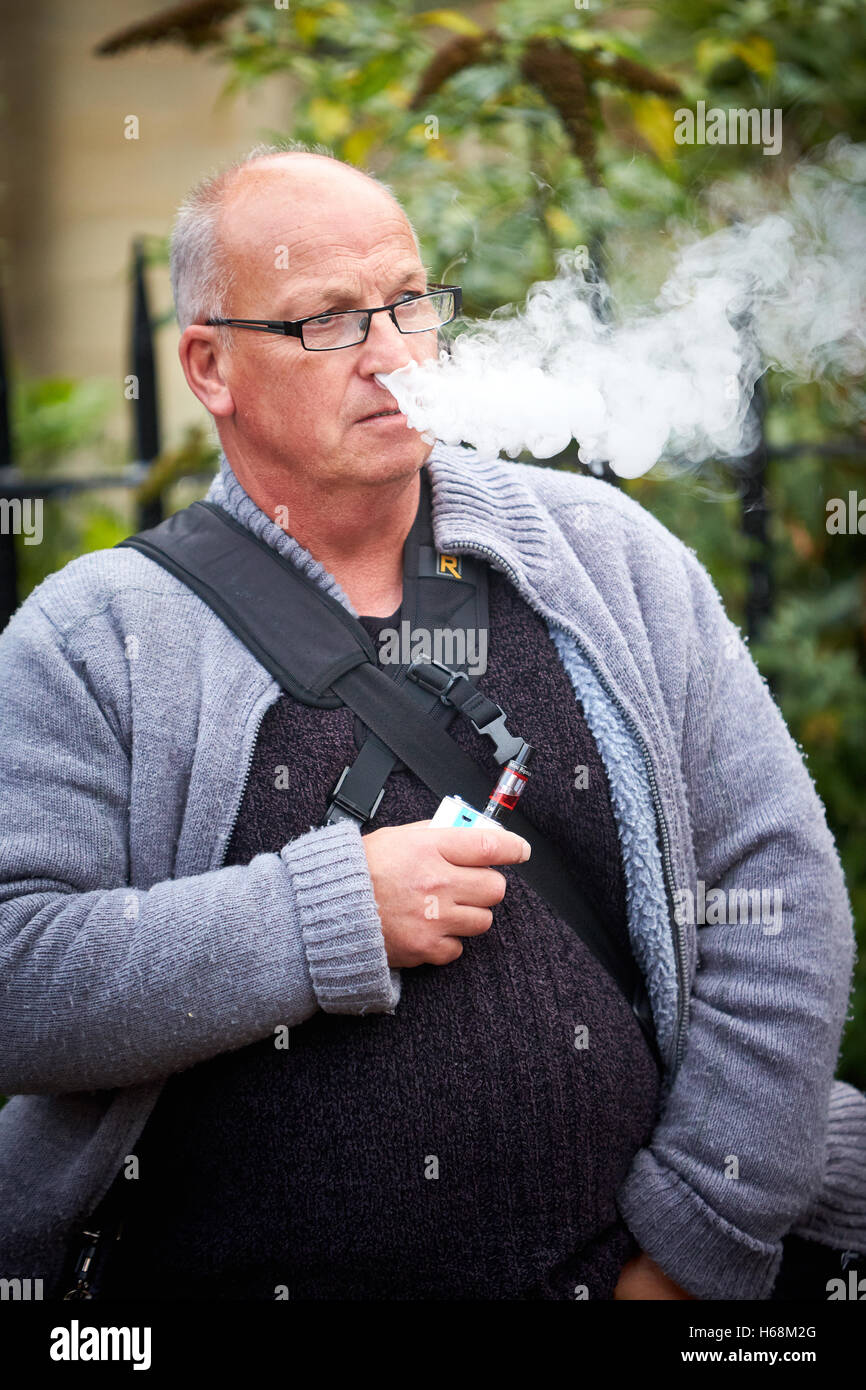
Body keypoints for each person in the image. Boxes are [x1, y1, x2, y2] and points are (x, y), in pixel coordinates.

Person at [0, 143, 863, 1303]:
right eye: (328, 321)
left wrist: (689, 1251)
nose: (393, 353)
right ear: (208, 367)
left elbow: (776, 893)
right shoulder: (93, 636)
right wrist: (321, 918)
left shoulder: (605, 557)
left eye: (407, 302)